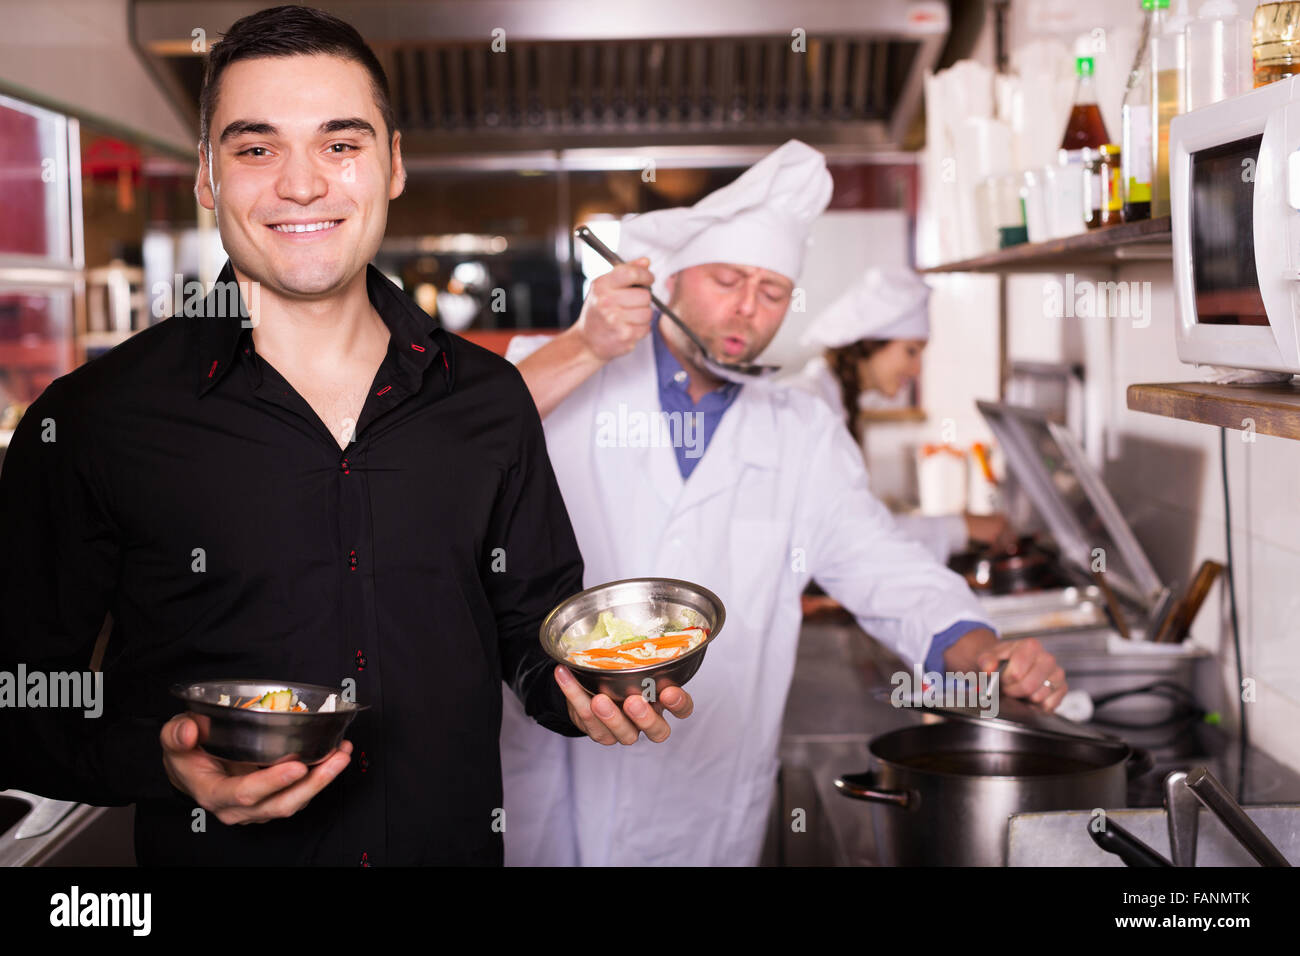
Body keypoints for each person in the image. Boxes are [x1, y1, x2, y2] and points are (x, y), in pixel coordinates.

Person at [0, 4, 691, 867]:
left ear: (392, 165)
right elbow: (19, 703)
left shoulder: (487, 400)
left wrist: (589, 690)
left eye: (340, 143)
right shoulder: (92, 422)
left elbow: (531, 635)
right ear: (207, 179)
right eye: (257, 149)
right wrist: (167, 765)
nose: (301, 184)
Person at [499, 139, 1068, 867]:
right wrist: (584, 344)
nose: (747, 308)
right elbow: (455, 445)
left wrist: (983, 650)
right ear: (666, 279)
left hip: (703, 801)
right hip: (558, 779)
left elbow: (885, 566)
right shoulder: (562, 378)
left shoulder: (802, 431)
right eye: (727, 279)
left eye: (772, 292)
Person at [790, 266, 1015, 562]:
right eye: (911, 351)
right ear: (870, 344)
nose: (917, 369)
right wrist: (962, 526)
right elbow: (848, 532)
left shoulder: (832, 402)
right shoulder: (811, 408)